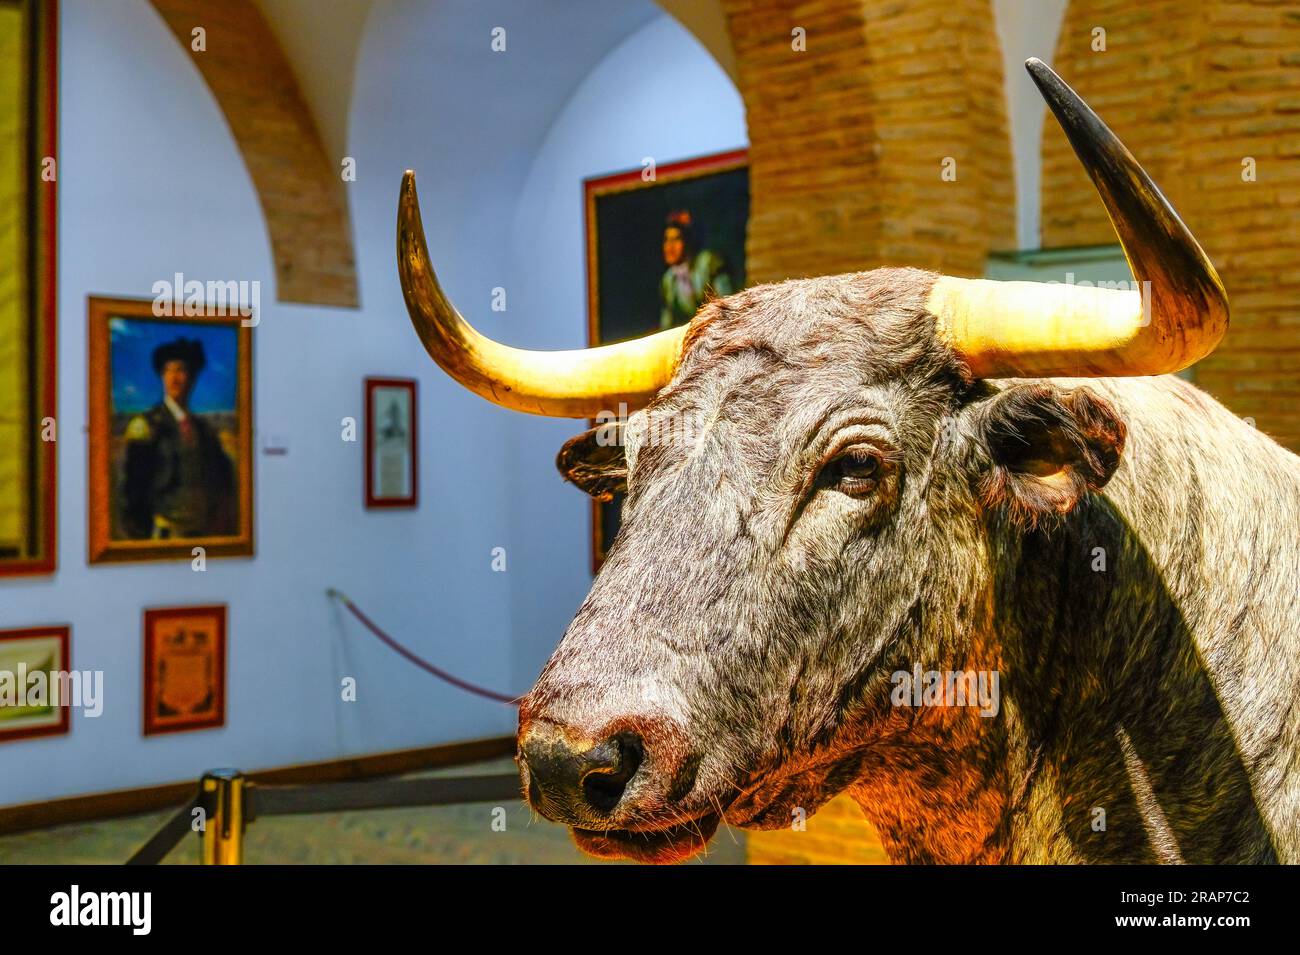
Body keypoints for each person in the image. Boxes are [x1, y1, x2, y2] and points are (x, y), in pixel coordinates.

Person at [119, 338, 236, 539]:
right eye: (168, 371)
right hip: (163, 534)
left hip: (203, 533)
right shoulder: (146, 426)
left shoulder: (204, 431)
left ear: (192, 377)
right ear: (162, 376)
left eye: (181, 370)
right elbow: (133, 494)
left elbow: (223, 481)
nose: (175, 378)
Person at [658, 210, 733, 330]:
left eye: (676, 239)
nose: (669, 247)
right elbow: (667, 321)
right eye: (667, 240)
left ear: (688, 241)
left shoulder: (709, 263)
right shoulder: (669, 279)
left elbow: (727, 305)